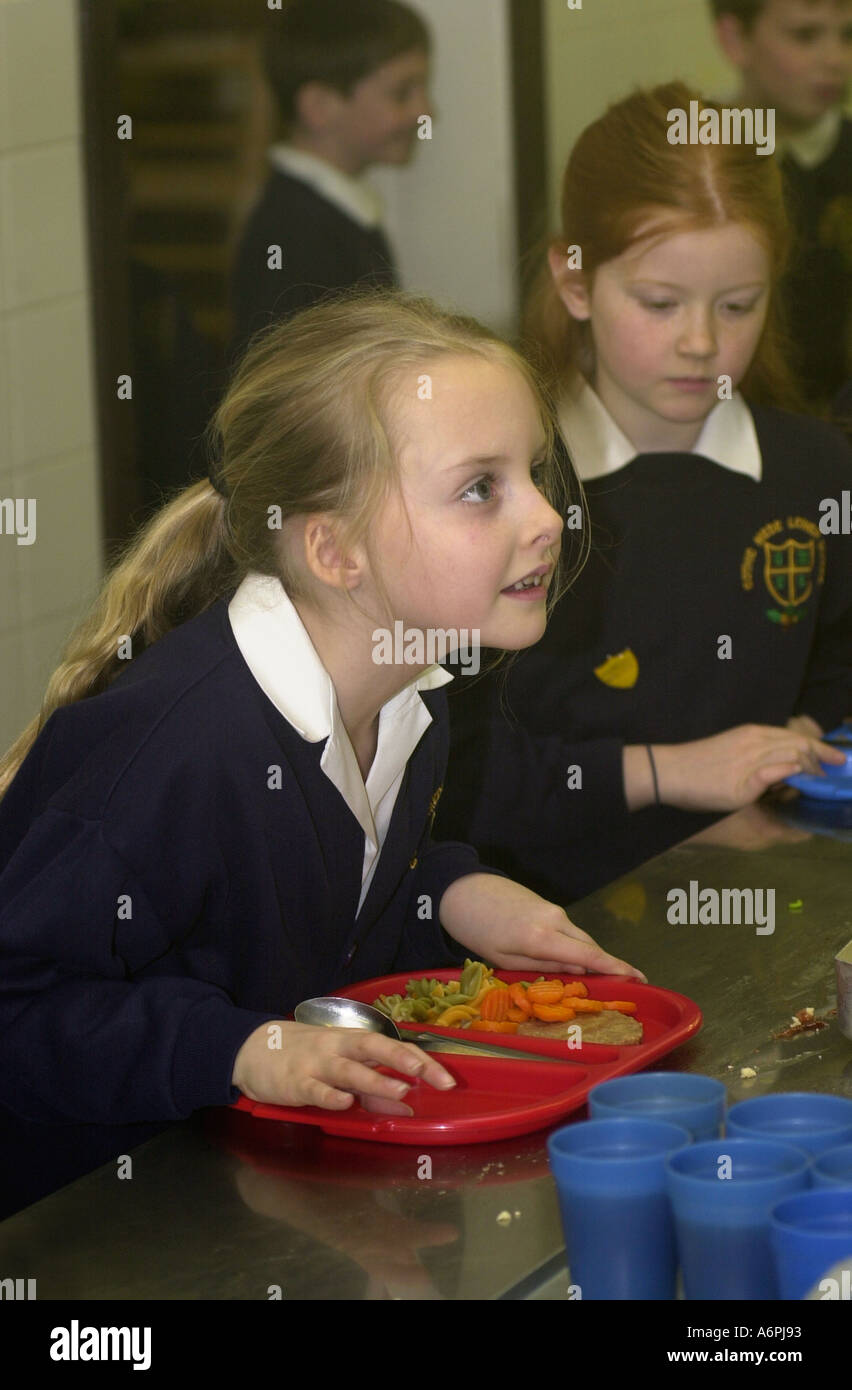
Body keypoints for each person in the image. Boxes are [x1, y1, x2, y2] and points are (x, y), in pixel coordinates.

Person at [0, 291, 642, 1219]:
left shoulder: (411, 700)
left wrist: (448, 892)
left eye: (535, 474)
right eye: (481, 488)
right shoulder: (176, 748)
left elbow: (315, 918)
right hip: (81, 1231)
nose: (547, 517)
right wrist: (242, 1050)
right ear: (335, 552)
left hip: (245, 1195)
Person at [433, 83, 852, 905]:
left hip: (755, 895)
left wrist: (804, 731)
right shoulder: (502, 489)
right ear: (577, 281)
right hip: (539, 916)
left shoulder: (813, 471)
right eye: (659, 304)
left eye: (738, 306)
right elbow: (448, 762)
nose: (701, 342)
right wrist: (668, 772)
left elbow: (837, 653)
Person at [228, 0, 430, 364]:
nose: (425, 112)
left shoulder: (334, 213)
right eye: (403, 94)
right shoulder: (293, 235)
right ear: (319, 106)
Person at [711, 0, 852, 409]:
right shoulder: (689, 156)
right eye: (804, 35)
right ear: (736, 39)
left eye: (847, 36)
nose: (835, 60)